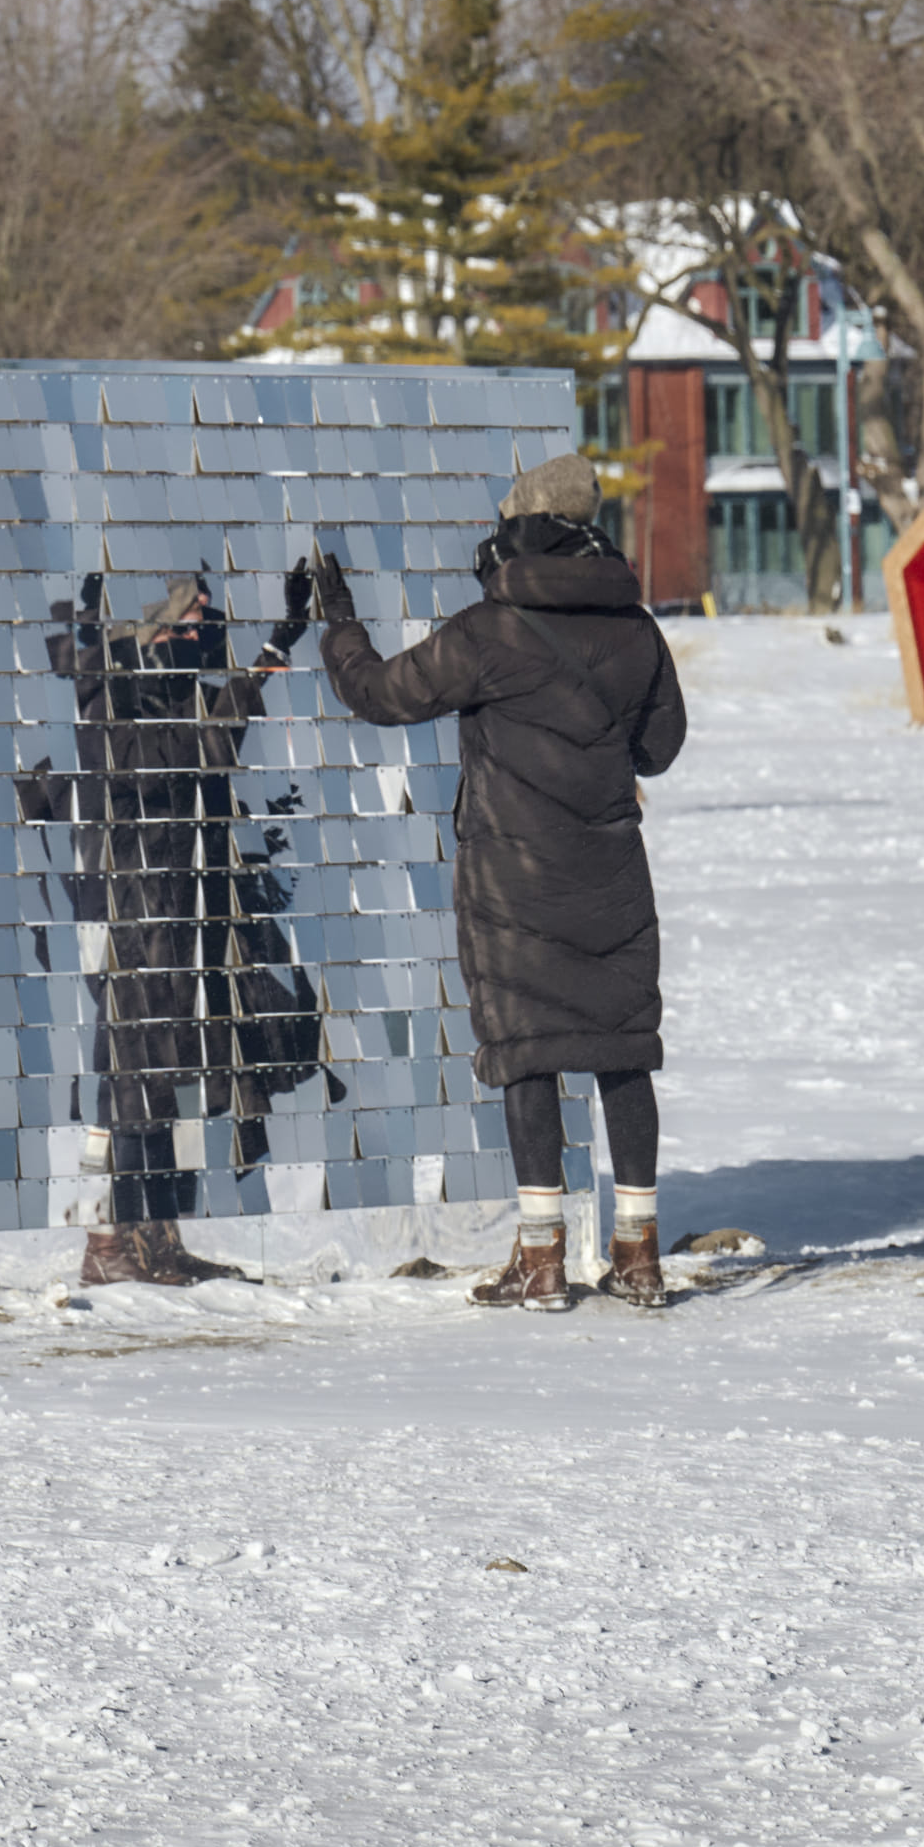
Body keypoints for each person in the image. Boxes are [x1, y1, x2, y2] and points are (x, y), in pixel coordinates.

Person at [313, 451, 687, 1311]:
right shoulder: (639, 629)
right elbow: (659, 750)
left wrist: (339, 625)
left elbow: (380, 695)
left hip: (514, 880)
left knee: (533, 1054)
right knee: (622, 1054)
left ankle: (543, 1259)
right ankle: (639, 1253)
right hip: (611, 870)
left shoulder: (491, 631)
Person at [13, 572, 332, 1287]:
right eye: (188, 627)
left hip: (178, 910)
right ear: (153, 635)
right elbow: (206, 740)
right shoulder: (108, 704)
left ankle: (158, 1238)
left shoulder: (173, 699)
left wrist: (280, 642)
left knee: (163, 1079)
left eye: (207, 629)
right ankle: (105, 1240)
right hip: (128, 913)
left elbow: (228, 722)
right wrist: (87, 608)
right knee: (124, 1080)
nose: (200, 640)